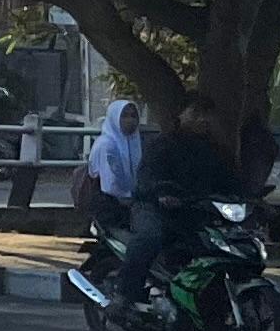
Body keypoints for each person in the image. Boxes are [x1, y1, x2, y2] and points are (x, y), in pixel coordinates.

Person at [118, 99, 240, 316]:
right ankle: (125, 296)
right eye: (195, 112)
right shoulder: (163, 144)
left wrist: (253, 201)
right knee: (149, 237)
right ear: (180, 115)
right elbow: (147, 178)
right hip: (153, 207)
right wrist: (161, 193)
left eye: (206, 114)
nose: (201, 119)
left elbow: (229, 182)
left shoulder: (214, 150)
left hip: (193, 211)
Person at [80, 98, 145, 241]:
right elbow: (110, 184)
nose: (130, 120)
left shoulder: (136, 143)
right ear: (114, 118)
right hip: (110, 208)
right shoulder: (106, 145)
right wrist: (130, 200)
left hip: (132, 205)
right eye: (124, 116)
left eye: (133, 116)